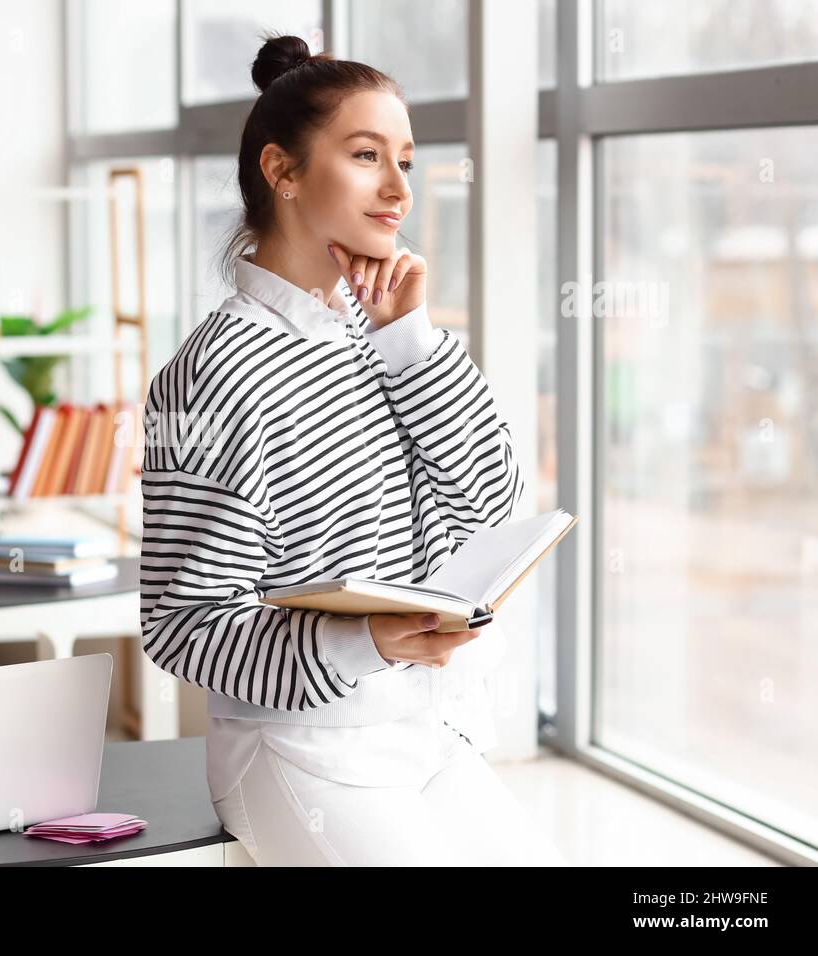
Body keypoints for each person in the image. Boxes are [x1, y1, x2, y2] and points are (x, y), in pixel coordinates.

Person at [138, 33, 568, 866]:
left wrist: (410, 338)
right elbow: (182, 625)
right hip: (300, 750)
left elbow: (490, 504)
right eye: (368, 155)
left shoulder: (379, 335)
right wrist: (362, 639)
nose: (399, 189)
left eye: (406, 159)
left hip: (428, 732)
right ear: (283, 171)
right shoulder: (215, 372)